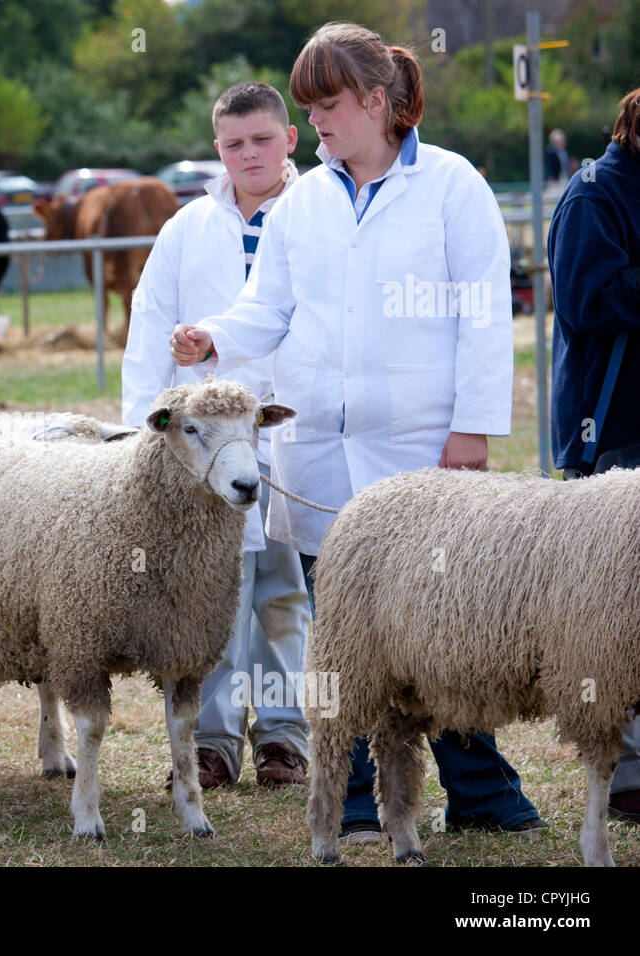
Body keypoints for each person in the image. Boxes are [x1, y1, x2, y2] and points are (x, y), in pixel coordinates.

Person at [172, 22, 546, 842]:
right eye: (308, 110)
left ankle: (481, 792)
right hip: (321, 459)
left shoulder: (453, 187)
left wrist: (475, 430)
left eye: (327, 106)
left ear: (376, 101)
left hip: (420, 457)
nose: (317, 126)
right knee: (335, 644)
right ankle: (351, 798)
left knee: (442, 635)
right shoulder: (302, 200)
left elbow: (485, 321)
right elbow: (268, 307)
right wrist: (215, 338)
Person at [123, 82, 311, 790]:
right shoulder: (187, 228)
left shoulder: (318, 211)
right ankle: (213, 738)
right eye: (234, 144)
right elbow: (150, 327)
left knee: (283, 591)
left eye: (262, 139)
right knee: (213, 590)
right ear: (217, 150)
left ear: (290, 139)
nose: (249, 154)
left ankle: (286, 735)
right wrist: (139, 429)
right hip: (209, 450)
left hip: (291, 434)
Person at [548, 87, 640, 821]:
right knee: (617, 610)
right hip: (611, 424)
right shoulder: (593, 195)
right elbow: (587, 300)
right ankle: (628, 773)